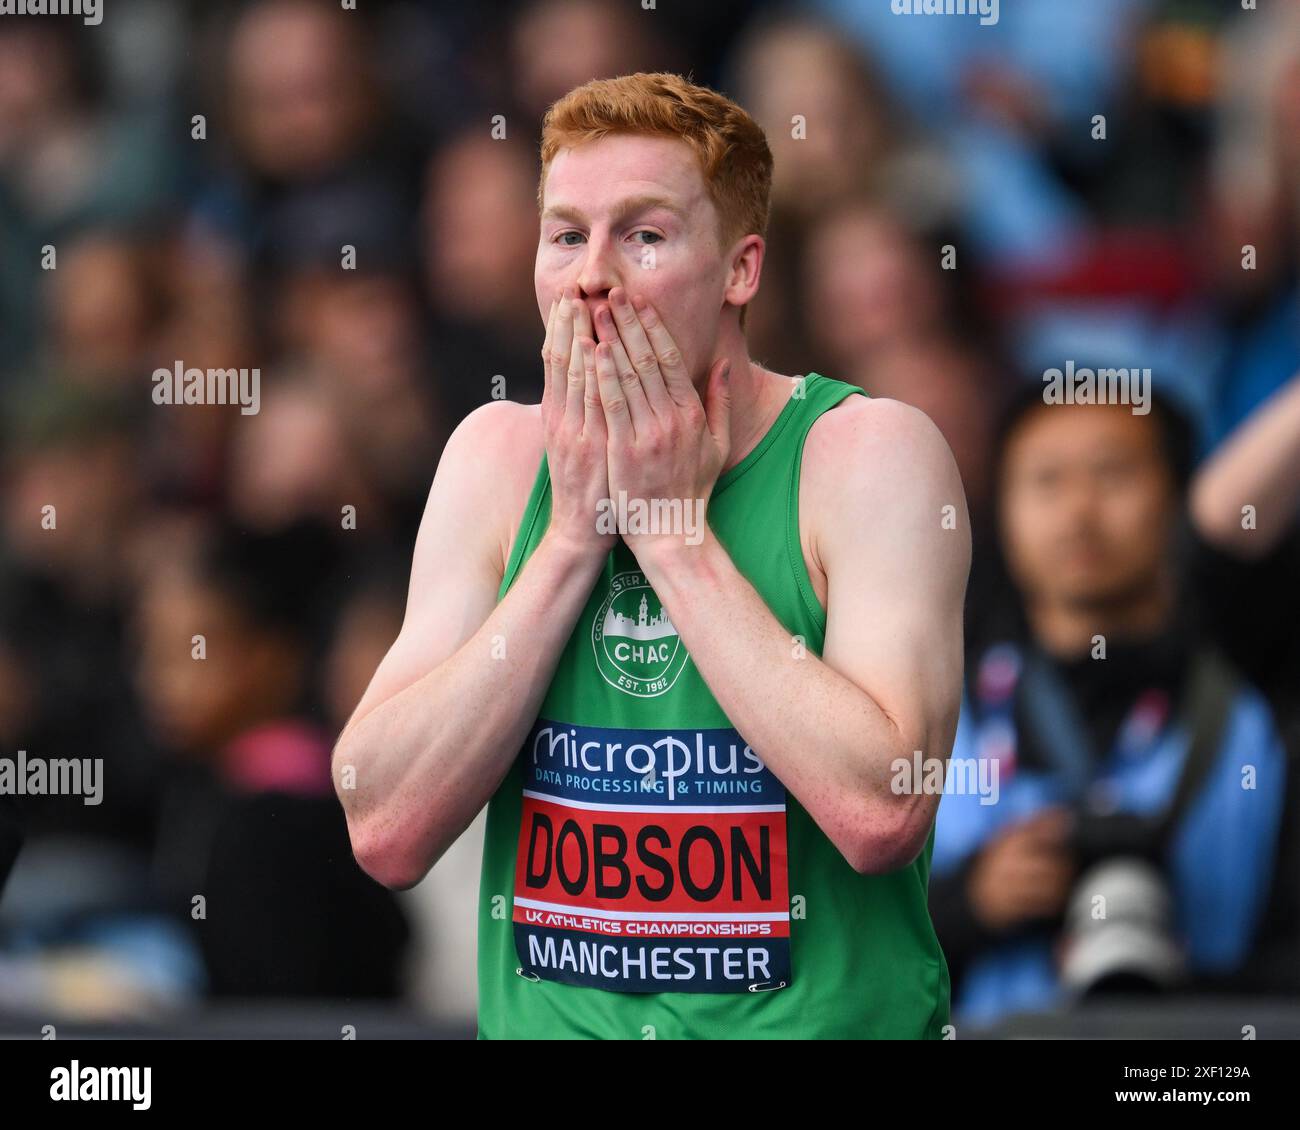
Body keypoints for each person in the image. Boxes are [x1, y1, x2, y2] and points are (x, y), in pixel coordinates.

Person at [333, 72, 970, 1039]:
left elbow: (884, 810)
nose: (592, 275)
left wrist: (674, 536)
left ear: (741, 270)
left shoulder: (867, 454)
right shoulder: (497, 457)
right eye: (565, 235)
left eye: (644, 235)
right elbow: (381, 826)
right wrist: (571, 538)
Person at [929, 386, 1289, 1027]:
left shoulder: (1253, 701)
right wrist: (971, 904)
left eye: (1113, 474)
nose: (1078, 513)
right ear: (998, 510)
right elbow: (842, 947)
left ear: (1181, 498)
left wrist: (1175, 985)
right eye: (1045, 481)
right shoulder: (931, 698)